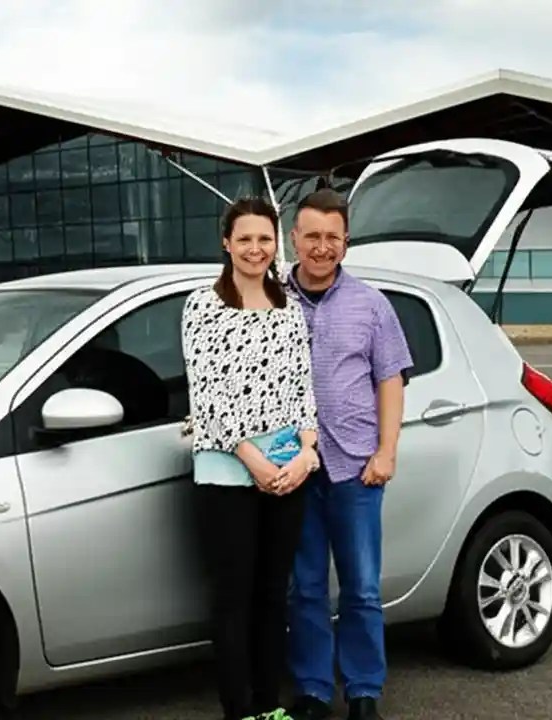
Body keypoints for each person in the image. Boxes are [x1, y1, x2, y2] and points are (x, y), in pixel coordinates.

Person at [181, 196, 321, 720]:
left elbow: (302, 390)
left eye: (265, 239)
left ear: (275, 243)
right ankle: (239, 711)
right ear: (226, 243)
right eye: (245, 239)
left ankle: (270, 708)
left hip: (288, 473)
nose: (256, 249)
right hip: (226, 476)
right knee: (233, 599)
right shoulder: (203, 306)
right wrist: (253, 462)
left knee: (272, 597)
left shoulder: (288, 309)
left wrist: (306, 453)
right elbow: (208, 395)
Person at [282, 189, 413, 720]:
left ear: (346, 241)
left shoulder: (372, 304)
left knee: (360, 586)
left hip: (357, 467)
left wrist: (387, 451)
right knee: (306, 586)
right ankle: (313, 690)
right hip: (293, 467)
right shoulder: (270, 300)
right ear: (294, 238)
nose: (321, 247)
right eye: (312, 235)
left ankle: (363, 691)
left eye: (332, 237)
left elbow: (390, 379)